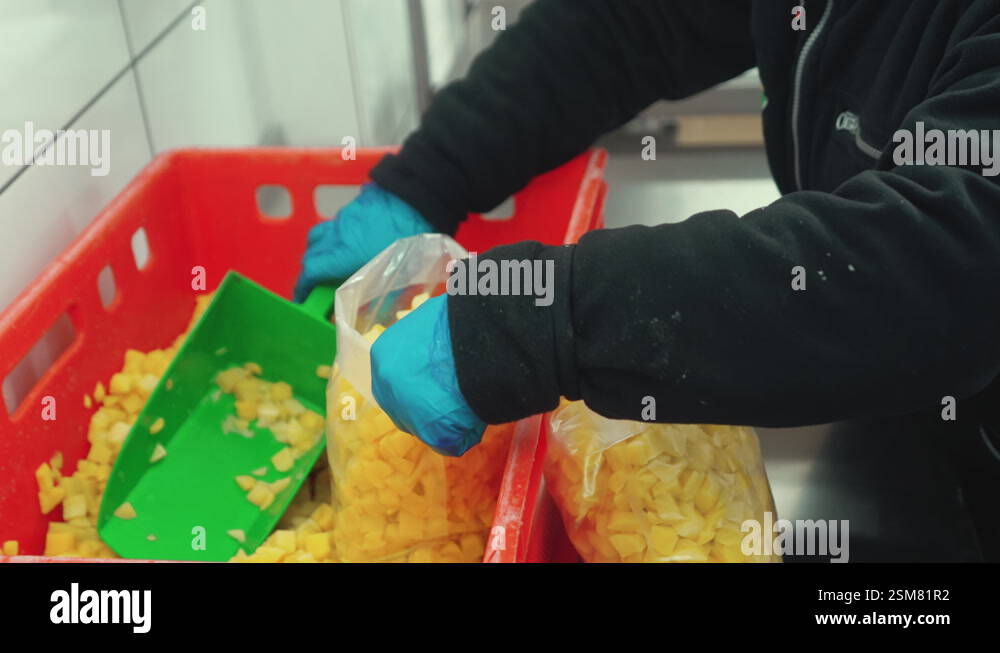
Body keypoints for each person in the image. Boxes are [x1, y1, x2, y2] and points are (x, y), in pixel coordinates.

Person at [296, 0, 1000, 554]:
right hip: (912, 419)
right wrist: (432, 174)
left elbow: (947, 260)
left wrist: (537, 322)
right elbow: (635, 22)